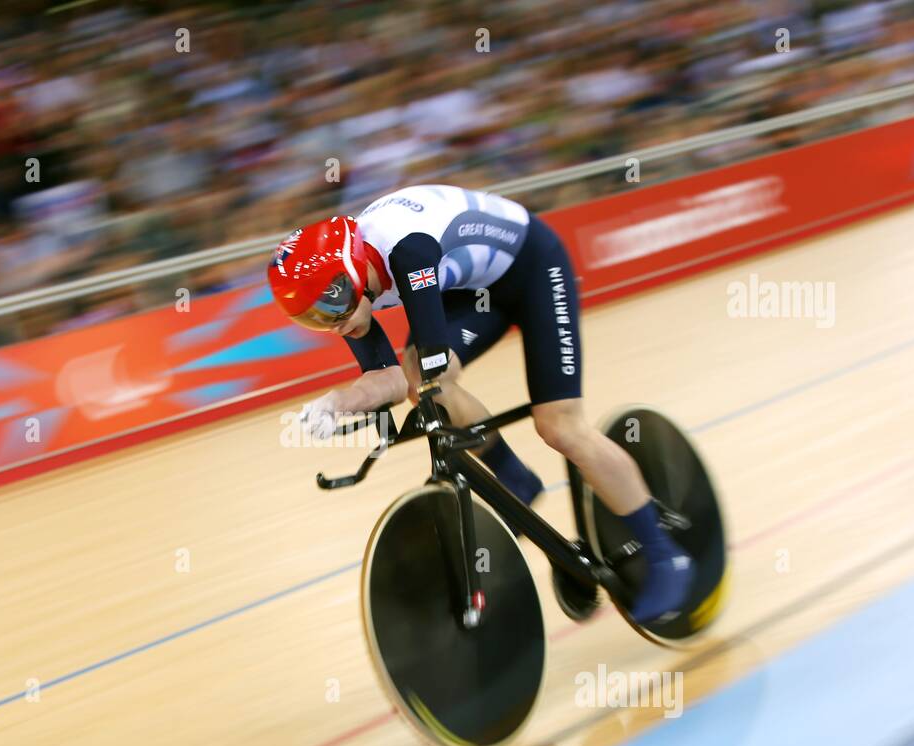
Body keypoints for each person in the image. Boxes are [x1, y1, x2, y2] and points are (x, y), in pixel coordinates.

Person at [266, 184, 692, 625]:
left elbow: (427, 359)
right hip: (472, 285)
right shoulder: (351, 292)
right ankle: (515, 477)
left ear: (349, 276)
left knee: (559, 427)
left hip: (533, 267)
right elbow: (389, 380)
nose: (328, 324)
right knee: (421, 380)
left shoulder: (406, 250)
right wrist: (337, 402)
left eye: (326, 307)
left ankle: (666, 556)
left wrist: (371, 395)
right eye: (311, 319)